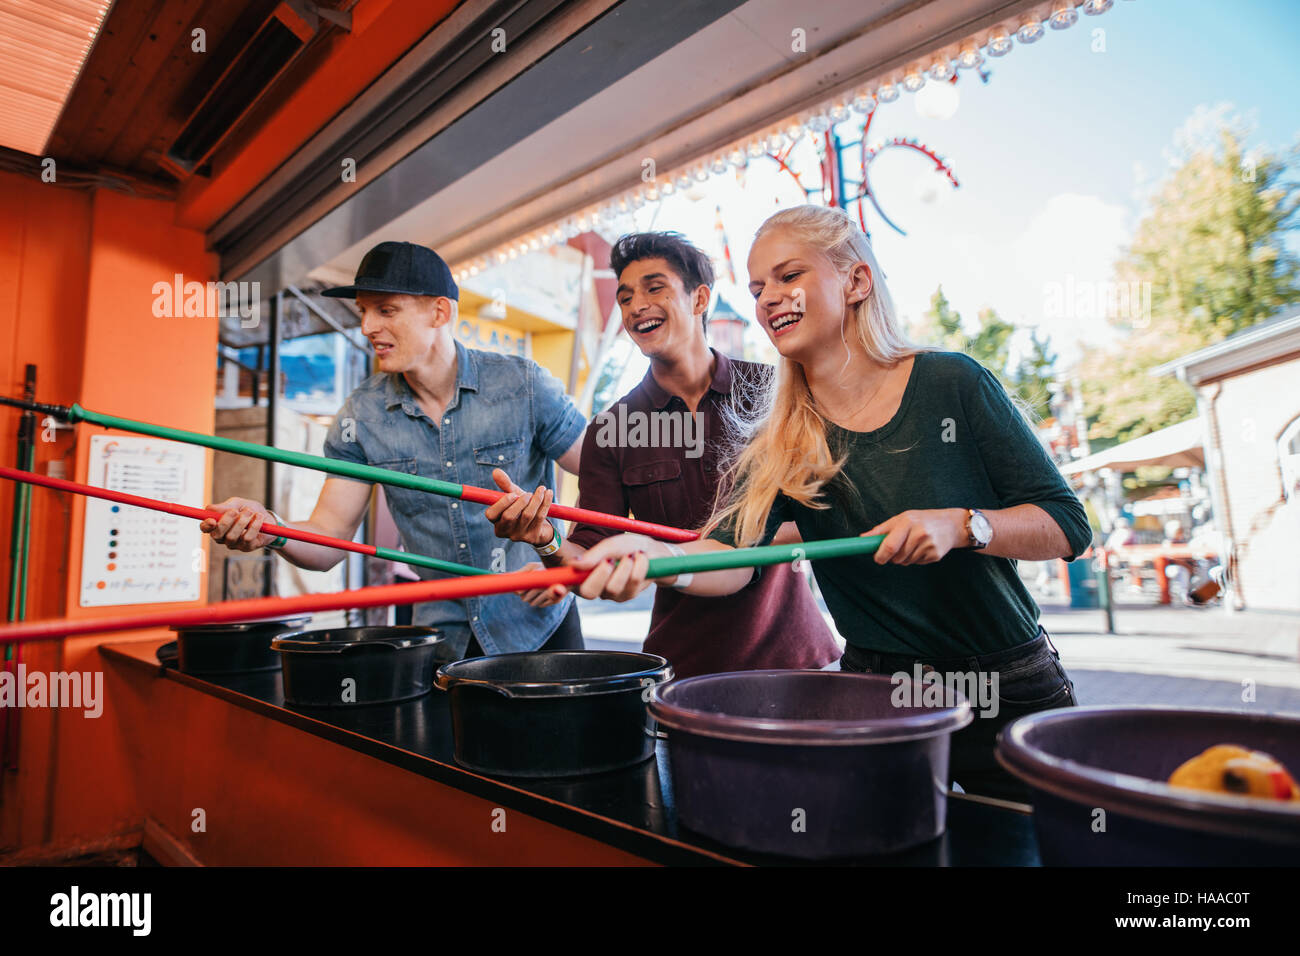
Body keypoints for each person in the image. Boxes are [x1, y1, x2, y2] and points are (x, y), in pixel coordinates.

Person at [565, 205, 1093, 802]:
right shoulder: (780, 433)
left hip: (1005, 686)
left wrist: (964, 526)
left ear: (857, 282)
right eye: (759, 287)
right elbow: (730, 560)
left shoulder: (953, 382)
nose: (768, 300)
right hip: (876, 693)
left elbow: (1068, 526)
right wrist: (650, 553)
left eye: (789, 277)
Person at [200, 241, 587, 660]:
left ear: (439, 313)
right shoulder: (360, 415)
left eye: (385, 310)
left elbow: (603, 477)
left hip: (542, 625)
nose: (366, 326)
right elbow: (329, 540)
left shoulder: (523, 385)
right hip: (442, 638)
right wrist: (271, 528)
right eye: (364, 310)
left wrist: (564, 560)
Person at [484, 232, 839, 678]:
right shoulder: (610, 429)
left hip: (795, 659)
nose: (636, 306)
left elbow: (822, 520)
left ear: (699, 298)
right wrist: (544, 539)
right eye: (626, 296)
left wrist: (698, 549)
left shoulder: (774, 393)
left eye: (655, 288)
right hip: (683, 671)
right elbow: (593, 569)